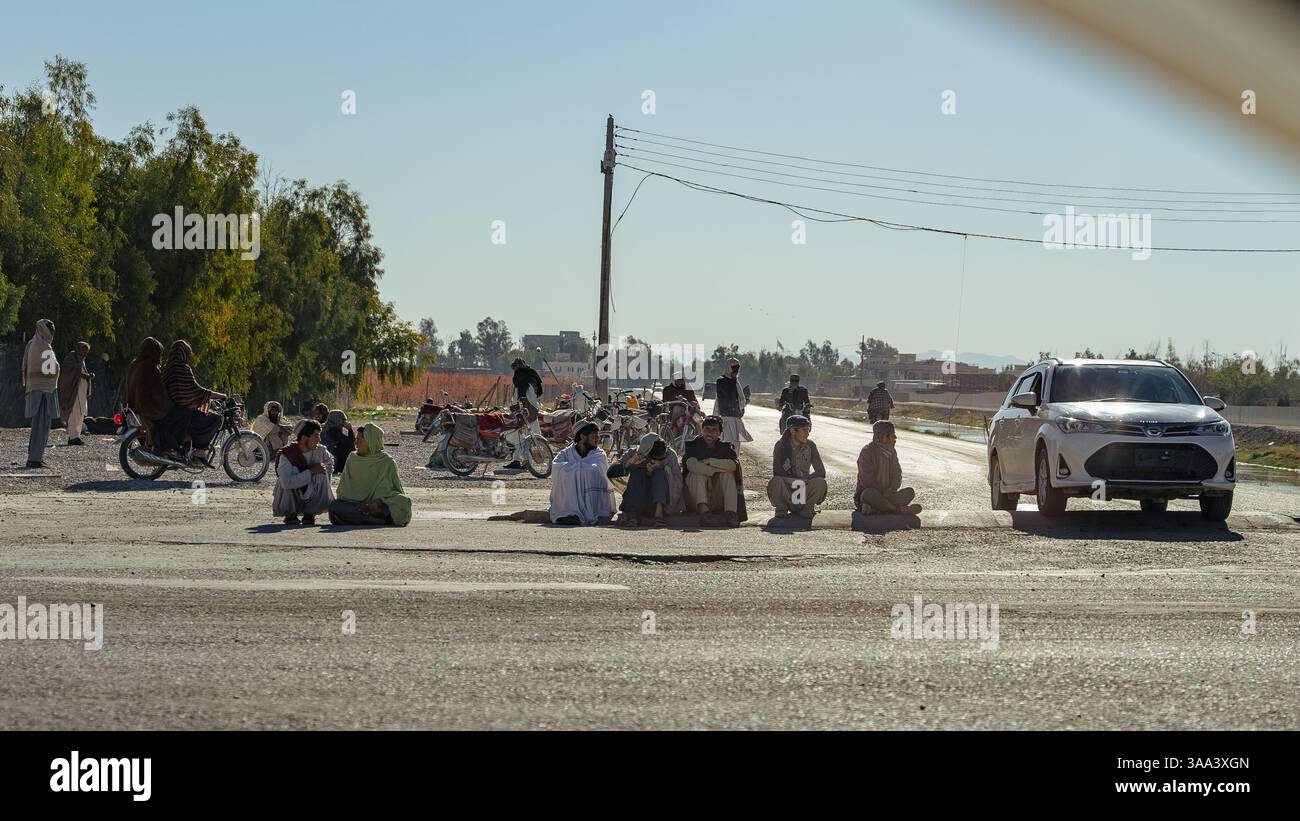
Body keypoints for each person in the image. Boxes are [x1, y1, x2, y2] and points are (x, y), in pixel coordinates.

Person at [329, 423, 412, 526]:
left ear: (371, 441)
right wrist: (361, 504)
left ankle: (361, 518)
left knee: (402, 503)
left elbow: (391, 490)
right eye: (356, 439)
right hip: (354, 504)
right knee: (335, 506)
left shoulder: (387, 462)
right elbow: (344, 489)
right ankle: (374, 520)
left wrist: (378, 502)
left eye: (359, 440)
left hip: (377, 505)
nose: (356, 443)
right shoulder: (353, 458)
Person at [162, 340, 224, 465]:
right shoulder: (183, 369)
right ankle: (200, 450)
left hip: (171, 412)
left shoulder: (166, 368)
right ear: (185, 353)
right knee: (216, 419)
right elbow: (196, 391)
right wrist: (220, 395)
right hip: (183, 414)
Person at [683, 415, 747, 527]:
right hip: (695, 500)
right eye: (707, 429)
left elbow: (733, 466)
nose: (710, 433)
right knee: (698, 474)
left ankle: (731, 513)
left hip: (717, 499)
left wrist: (710, 461)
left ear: (719, 433)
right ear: (702, 430)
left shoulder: (725, 448)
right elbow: (692, 465)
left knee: (727, 474)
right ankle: (704, 512)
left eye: (714, 430)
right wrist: (715, 470)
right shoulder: (693, 446)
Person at [548, 421, 616, 525]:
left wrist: (575, 469)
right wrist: (578, 469)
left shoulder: (599, 454)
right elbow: (556, 467)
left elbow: (598, 470)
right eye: (594, 436)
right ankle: (570, 513)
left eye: (598, 436)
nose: (597, 440)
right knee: (569, 475)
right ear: (583, 437)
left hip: (595, 503)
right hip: (569, 502)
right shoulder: (566, 453)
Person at [125, 336, 180, 455]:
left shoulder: (134, 364)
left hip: (134, 407)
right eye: (159, 353)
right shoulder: (150, 367)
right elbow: (158, 393)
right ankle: (167, 447)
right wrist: (171, 404)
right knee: (175, 415)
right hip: (148, 408)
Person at [273, 419, 334, 525]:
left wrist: (324, 481)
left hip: (311, 493)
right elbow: (286, 483)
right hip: (292, 494)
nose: (319, 439)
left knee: (321, 473)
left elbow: (330, 462)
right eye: (316, 435)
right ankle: (290, 514)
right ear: (304, 437)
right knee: (290, 475)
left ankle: (310, 513)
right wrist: (310, 472)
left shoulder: (320, 451)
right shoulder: (288, 454)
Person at [856, 421, 922, 516]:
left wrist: (891, 489)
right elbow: (867, 481)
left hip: (888, 494)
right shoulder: (867, 452)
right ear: (884, 436)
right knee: (869, 494)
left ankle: (879, 508)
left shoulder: (892, 452)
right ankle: (897, 509)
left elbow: (897, 475)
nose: (895, 438)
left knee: (909, 492)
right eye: (892, 435)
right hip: (872, 494)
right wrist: (883, 492)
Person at [607, 433, 673, 527]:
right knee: (638, 473)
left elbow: (678, 480)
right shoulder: (633, 453)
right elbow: (611, 473)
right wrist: (629, 463)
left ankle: (659, 514)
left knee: (660, 473)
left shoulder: (670, 454)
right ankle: (633, 515)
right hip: (635, 500)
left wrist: (663, 467)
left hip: (658, 501)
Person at [768, 415, 827, 518]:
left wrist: (803, 480)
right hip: (787, 491)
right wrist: (795, 481)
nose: (807, 434)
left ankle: (806, 509)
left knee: (820, 482)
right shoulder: (780, 446)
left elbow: (821, 472)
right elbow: (777, 471)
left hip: (803, 490)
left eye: (808, 430)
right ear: (793, 431)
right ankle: (782, 508)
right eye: (804, 430)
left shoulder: (811, 446)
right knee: (776, 481)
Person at [21, 319, 60, 468]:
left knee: (37, 425)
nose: (51, 332)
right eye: (50, 329)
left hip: (35, 389)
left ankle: (35, 456)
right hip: (43, 391)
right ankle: (35, 459)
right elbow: (51, 369)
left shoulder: (32, 343)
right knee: (41, 426)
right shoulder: (43, 346)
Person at [506, 357, 545, 469]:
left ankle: (522, 461)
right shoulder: (532, 374)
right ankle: (520, 460)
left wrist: (518, 406)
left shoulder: (520, 376)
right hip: (533, 407)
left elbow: (520, 393)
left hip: (524, 410)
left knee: (520, 435)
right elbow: (539, 392)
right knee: (529, 435)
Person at [57, 341, 94, 445]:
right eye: (84, 350)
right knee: (74, 412)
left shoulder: (82, 360)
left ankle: (76, 435)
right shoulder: (71, 357)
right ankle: (73, 437)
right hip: (73, 390)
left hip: (81, 391)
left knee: (80, 413)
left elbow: (81, 371)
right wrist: (84, 375)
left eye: (87, 351)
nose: (85, 353)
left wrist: (88, 376)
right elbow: (67, 371)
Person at [714, 358, 752, 445]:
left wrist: (742, 404)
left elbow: (742, 399)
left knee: (736, 446)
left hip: (735, 419)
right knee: (725, 444)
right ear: (728, 367)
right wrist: (715, 418)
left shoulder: (735, 381)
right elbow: (719, 401)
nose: (736, 370)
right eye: (734, 367)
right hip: (725, 419)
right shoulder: (721, 381)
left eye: (738, 367)